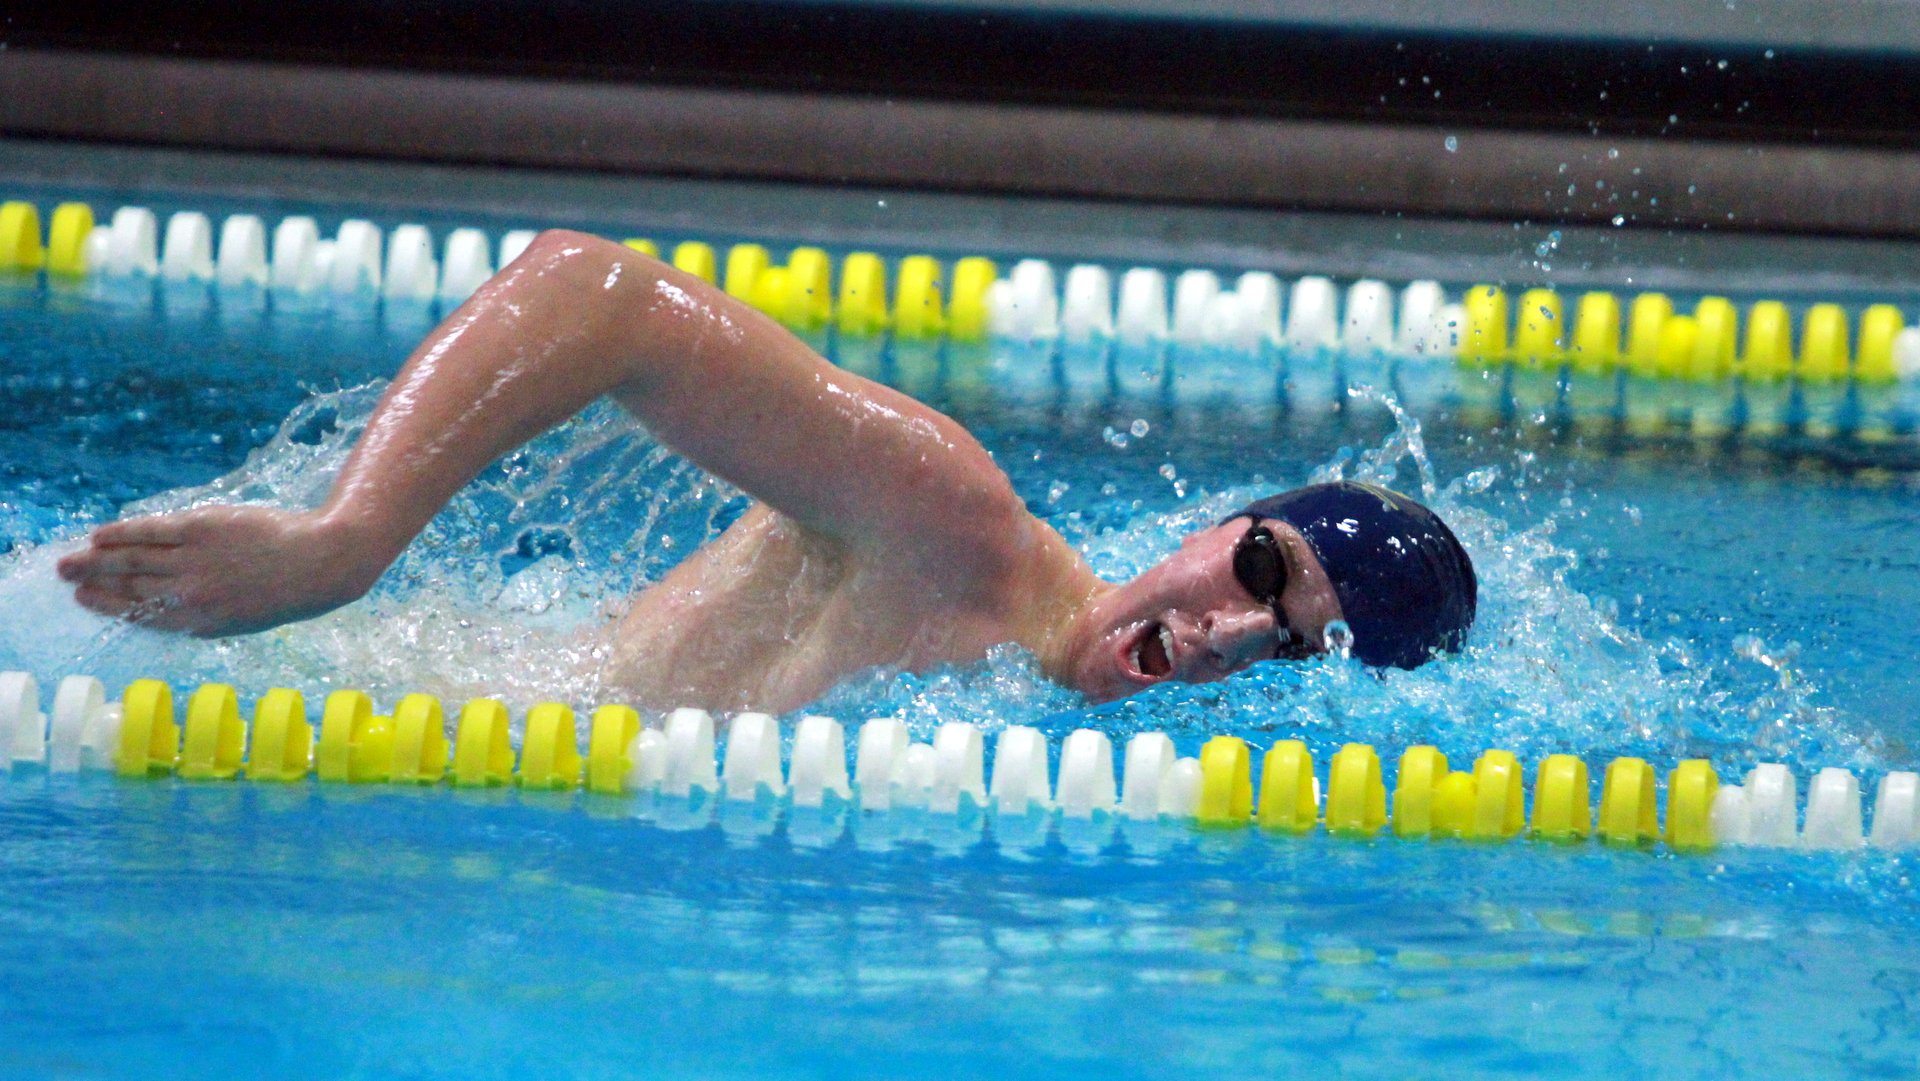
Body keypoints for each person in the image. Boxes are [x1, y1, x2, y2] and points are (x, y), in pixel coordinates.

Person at [56, 231, 1476, 713]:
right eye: (1262, 570)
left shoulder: (1054, 727)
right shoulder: (953, 524)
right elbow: (599, 295)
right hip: (257, 671)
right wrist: (344, 543)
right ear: (1221, 521)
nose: (1228, 632)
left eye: (1294, 645)